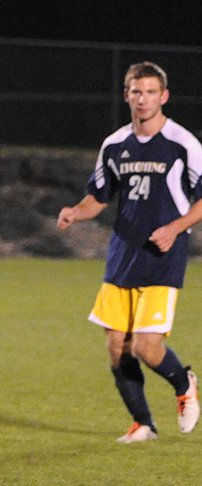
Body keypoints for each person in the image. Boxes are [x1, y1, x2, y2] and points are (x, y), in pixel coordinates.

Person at [58, 61, 201, 443]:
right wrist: (76, 212)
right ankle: (143, 424)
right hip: (123, 254)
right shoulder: (115, 144)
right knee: (116, 345)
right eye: (137, 92)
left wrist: (174, 228)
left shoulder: (182, 144)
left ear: (164, 97)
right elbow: (99, 197)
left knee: (145, 345)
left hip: (162, 256)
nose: (143, 99)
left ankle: (184, 382)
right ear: (127, 96)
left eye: (151, 92)